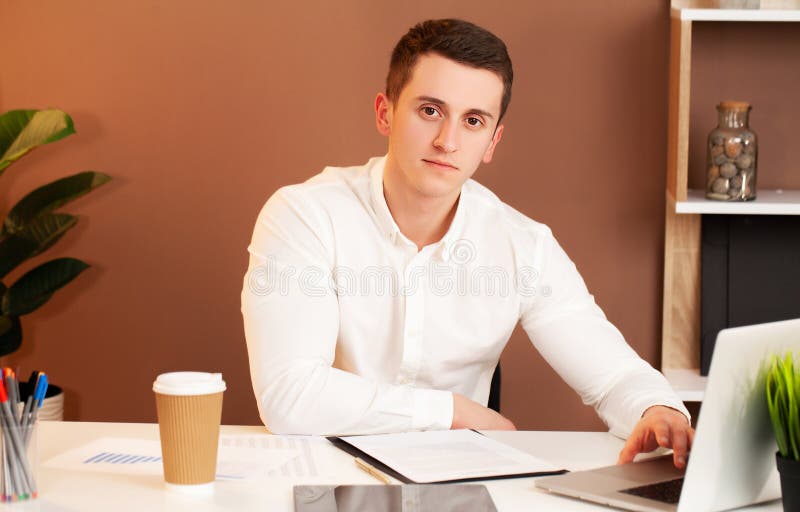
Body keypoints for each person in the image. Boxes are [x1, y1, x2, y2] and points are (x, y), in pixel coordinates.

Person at [241, 18, 694, 468]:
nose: (447, 141)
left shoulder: (522, 245)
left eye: (473, 121)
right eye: (430, 111)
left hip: (456, 480)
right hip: (322, 470)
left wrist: (657, 409)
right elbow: (289, 393)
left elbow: (614, 376)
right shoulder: (305, 216)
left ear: (492, 141)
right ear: (385, 113)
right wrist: (451, 411)